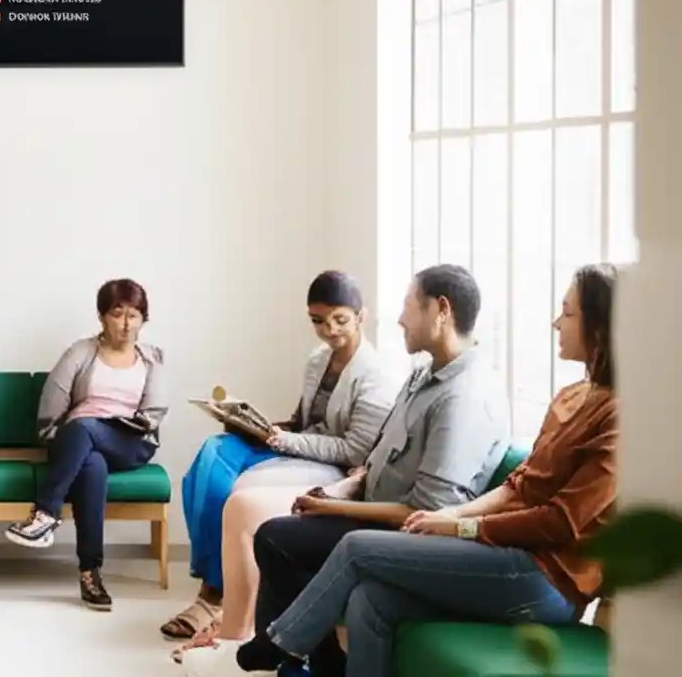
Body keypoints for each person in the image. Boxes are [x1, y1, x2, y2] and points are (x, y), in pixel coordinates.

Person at [234, 264, 620, 677]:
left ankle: (279, 644)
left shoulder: (618, 414)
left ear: (600, 326)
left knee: (355, 547)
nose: (556, 322)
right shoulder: (571, 396)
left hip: (544, 579)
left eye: (568, 312)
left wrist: (464, 527)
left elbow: (562, 521)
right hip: (502, 552)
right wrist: (454, 516)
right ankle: (292, 650)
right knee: (369, 601)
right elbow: (519, 484)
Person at [181, 263, 511, 676]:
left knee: (278, 540)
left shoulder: (464, 397)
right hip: (373, 505)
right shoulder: (424, 374)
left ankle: (275, 654)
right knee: (274, 530)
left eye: (409, 305)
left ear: (441, 310)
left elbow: (426, 513)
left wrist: (334, 508)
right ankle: (299, 659)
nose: (400, 318)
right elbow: (374, 461)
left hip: (409, 534)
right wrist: (340, 492)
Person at [162, 272, 399, 644]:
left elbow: (355, 449)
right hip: (298, 444)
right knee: (212, 455)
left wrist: (284, 440)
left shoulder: (375, 375)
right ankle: (214, 582)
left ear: (361, 316)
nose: (329, 330)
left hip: (334, 464)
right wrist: (253, 425)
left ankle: (214, 593)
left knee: (235, 487)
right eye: (318, 321)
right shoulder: (318, 360)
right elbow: (303, 420)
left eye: (340, 319)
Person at [4, 278, 168, 611]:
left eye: (133, 316)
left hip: (129, 442)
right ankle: (90, 573)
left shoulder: (151, 359)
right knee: (92, 464)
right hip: (79, 441)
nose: (125, 324)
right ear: (102, 317)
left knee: (85, 427)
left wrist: (122, 424)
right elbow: (53, 402)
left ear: (143, 320)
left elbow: (153, 413)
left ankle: (45, 513)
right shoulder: (81, 352)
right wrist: (59, 435)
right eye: (117, 314)